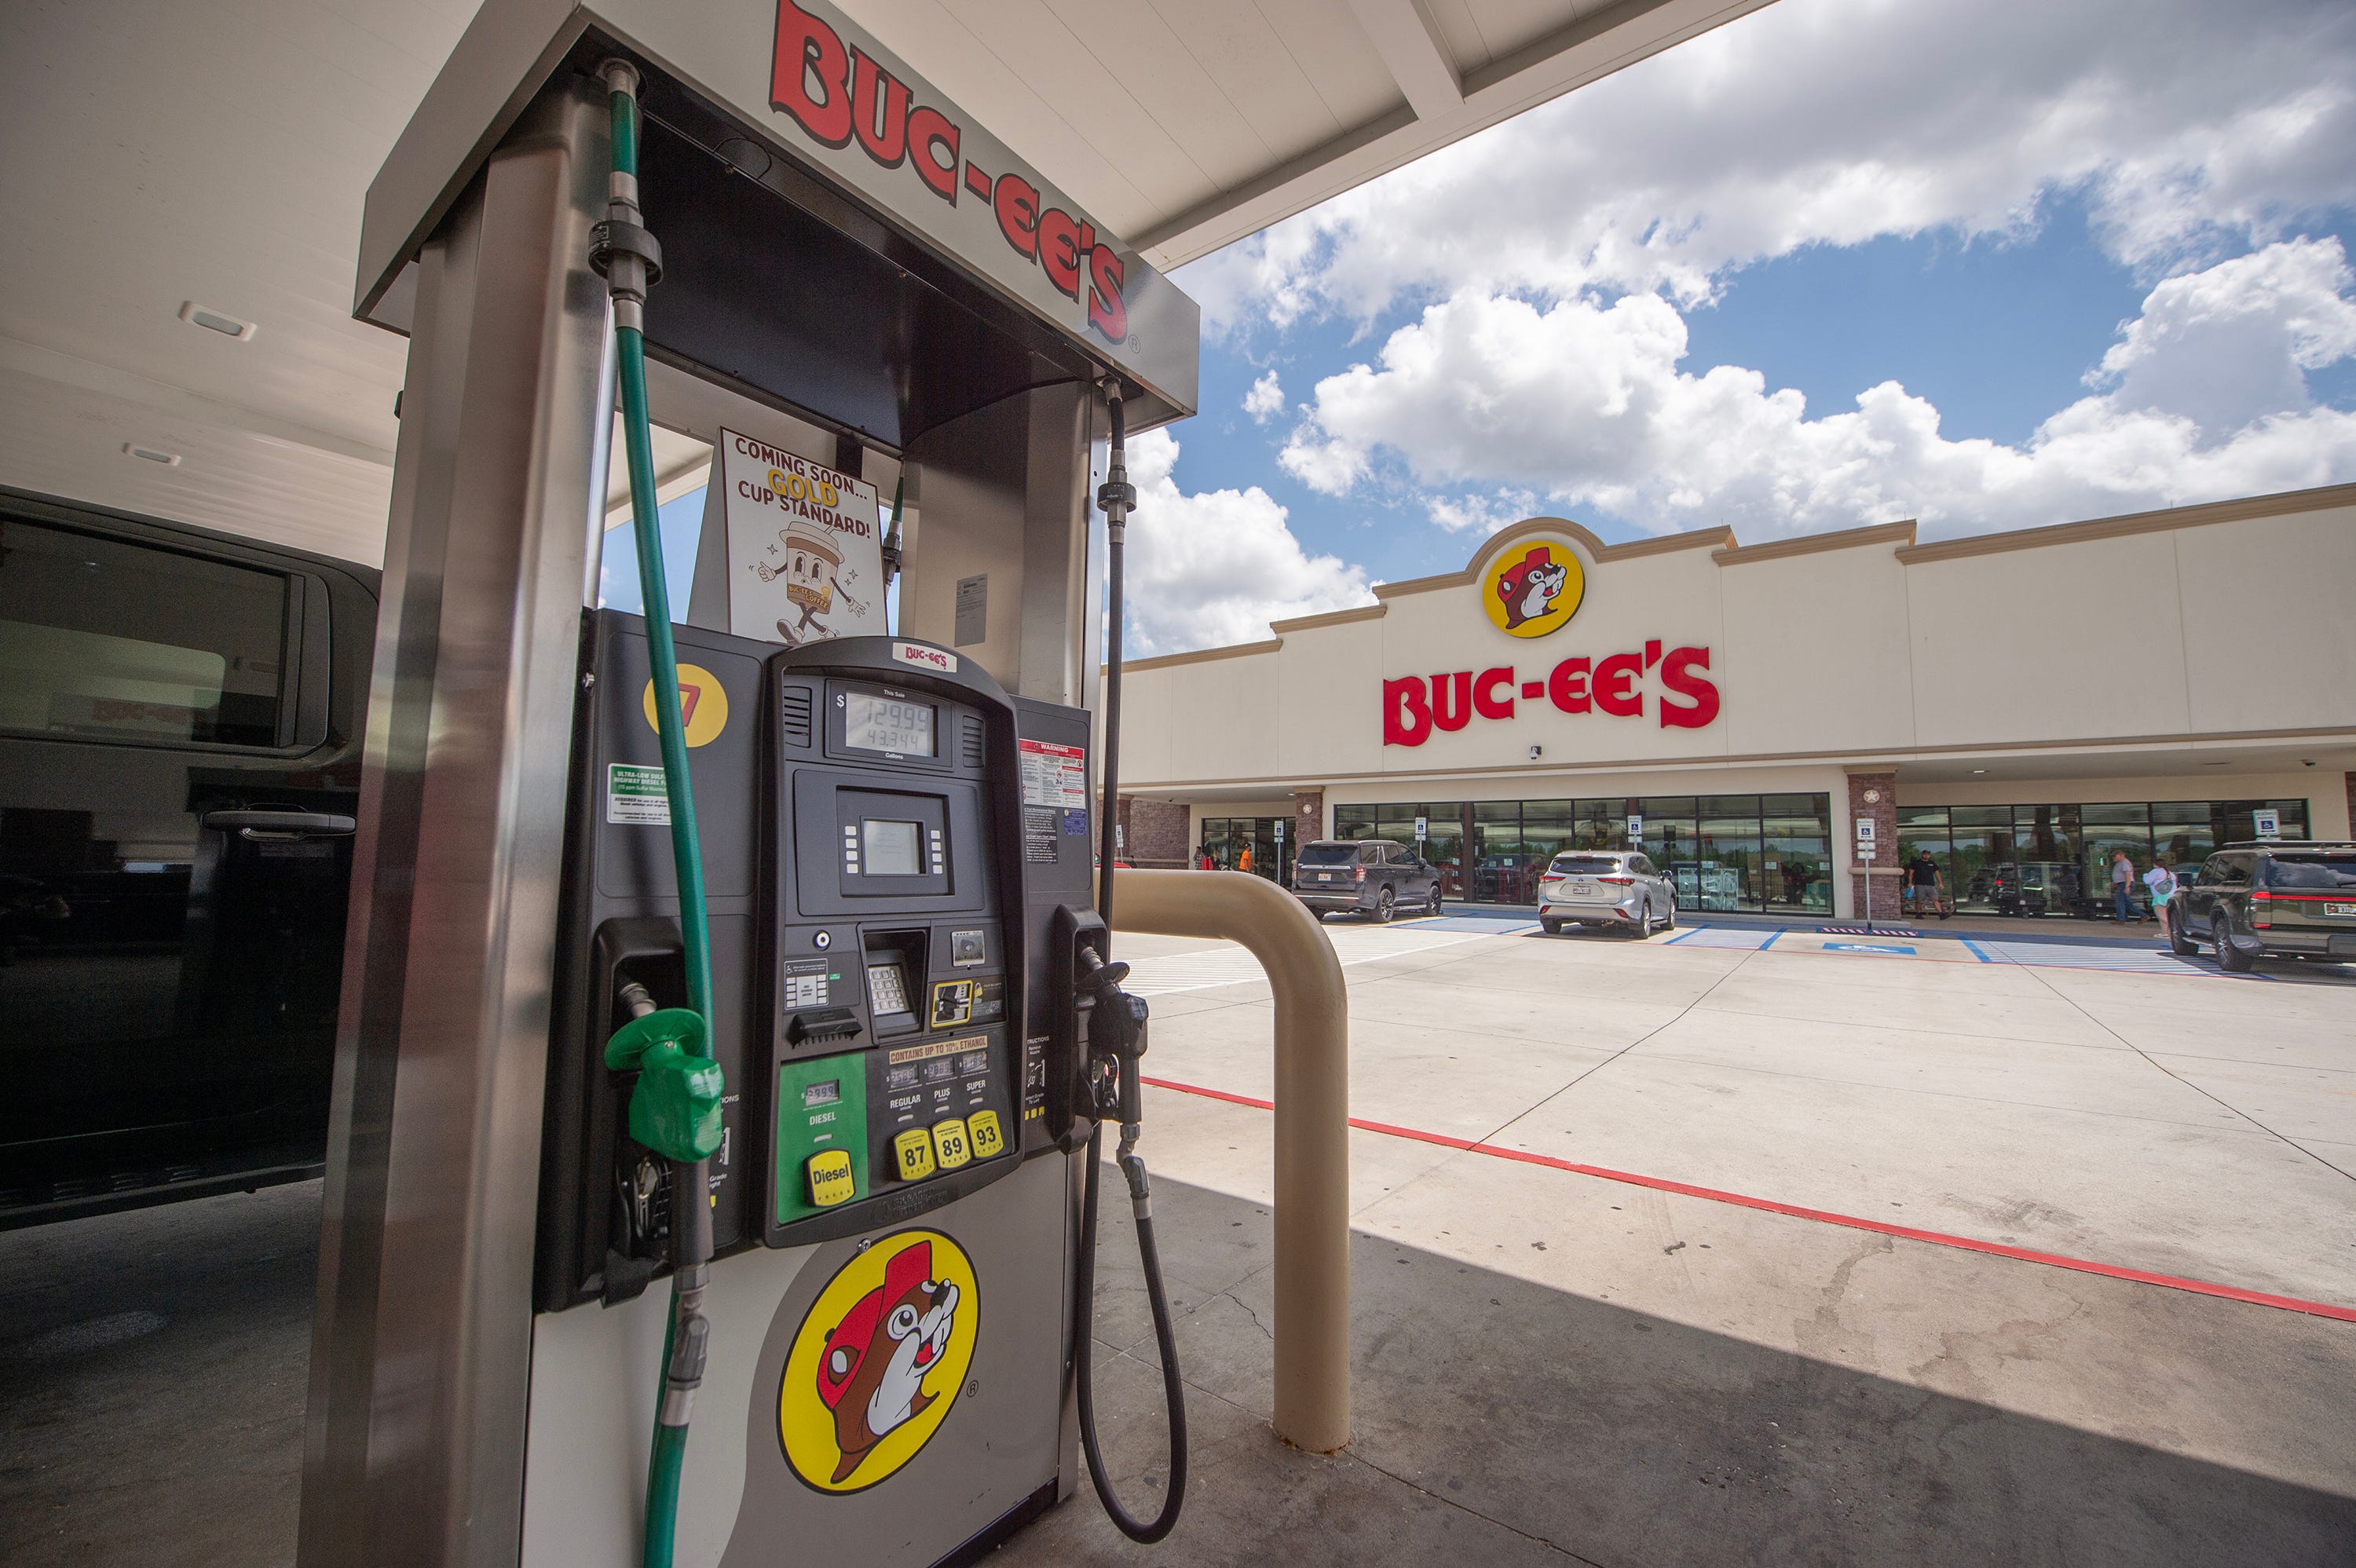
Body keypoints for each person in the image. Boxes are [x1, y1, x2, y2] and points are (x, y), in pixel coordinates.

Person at [1905, 850, 1948, 919]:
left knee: (1935, 899)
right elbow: (1911, 874)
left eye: (1928, 854)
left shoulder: (1932, 863)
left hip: (1931, 885)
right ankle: (1918, 913)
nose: (1926, 856)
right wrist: (1910, 883)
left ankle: (1941, 913)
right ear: (1922, 855)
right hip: (1920, 885)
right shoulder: (1916, 863)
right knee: (1919, 900)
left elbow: (1937, 874)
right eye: (1925, 854)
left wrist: (1940, 883)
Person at [2143, 855, 2176, 942]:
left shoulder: (2156, 871)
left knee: (2161, 916)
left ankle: (2174, 930)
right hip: (2171, 896)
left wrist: (2145, 875)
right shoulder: (2171, 874)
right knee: (2167, 914)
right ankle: (2164, 933)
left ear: (2155, 864)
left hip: (2160, 896)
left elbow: (2147, 881)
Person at [2109, 850, 2135, 922]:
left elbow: (2127, 874)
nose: (2113, 858)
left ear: (2121, 855)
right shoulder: (2120, 863)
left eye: (2115, 856)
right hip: (2121, 884)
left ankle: (2121, 919)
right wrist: (2116, 883)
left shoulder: (2124, 863)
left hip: (2124, 884)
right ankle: (2123, 917)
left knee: (2120, 902)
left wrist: (2127, 886)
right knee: (2124, 902)